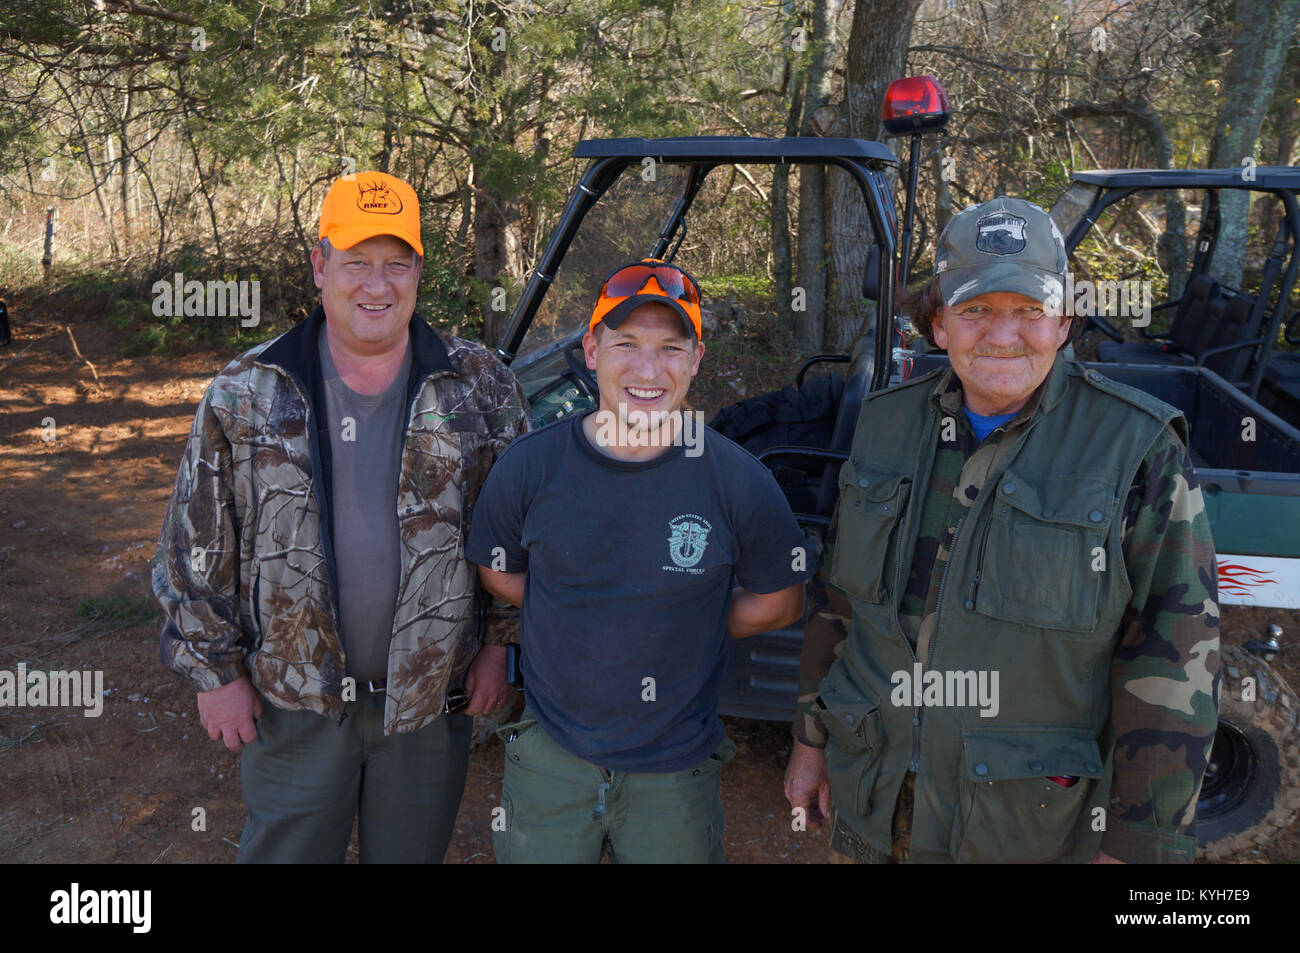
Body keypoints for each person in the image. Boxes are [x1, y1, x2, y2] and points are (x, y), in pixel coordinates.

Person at [784, 197, 1220, 864]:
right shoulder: (885, 423)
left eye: (1029, 310)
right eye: (976, 309)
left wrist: (1140, 844)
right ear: (939, 324)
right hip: (877, 799)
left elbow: (1173, 655)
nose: (1003, 333)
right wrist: (810, 738)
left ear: (1064, 321)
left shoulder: (1137, 449)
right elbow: (840, 600)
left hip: (1026, 827)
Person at [152, 171, 529, 863]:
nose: (376, 286)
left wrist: (501, 645)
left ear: (419, 270)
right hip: (293, 703)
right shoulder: (248, 391)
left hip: (425, 702)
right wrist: (217, 672)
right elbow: (196, 545)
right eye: (356, 262)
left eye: (395, 264)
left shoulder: (480, 385)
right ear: (321, 264)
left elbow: (514, 533)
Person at [467, 259, 810, 863]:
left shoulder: (738, 480)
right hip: (553, 756)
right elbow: (497, 568)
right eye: (626, 343)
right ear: (592, 349)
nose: (647, 369)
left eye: (670, 348)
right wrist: (582, 607)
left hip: (674, 770)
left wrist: (692, 613)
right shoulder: (529, 466)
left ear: (696, 358)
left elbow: (781, 601)